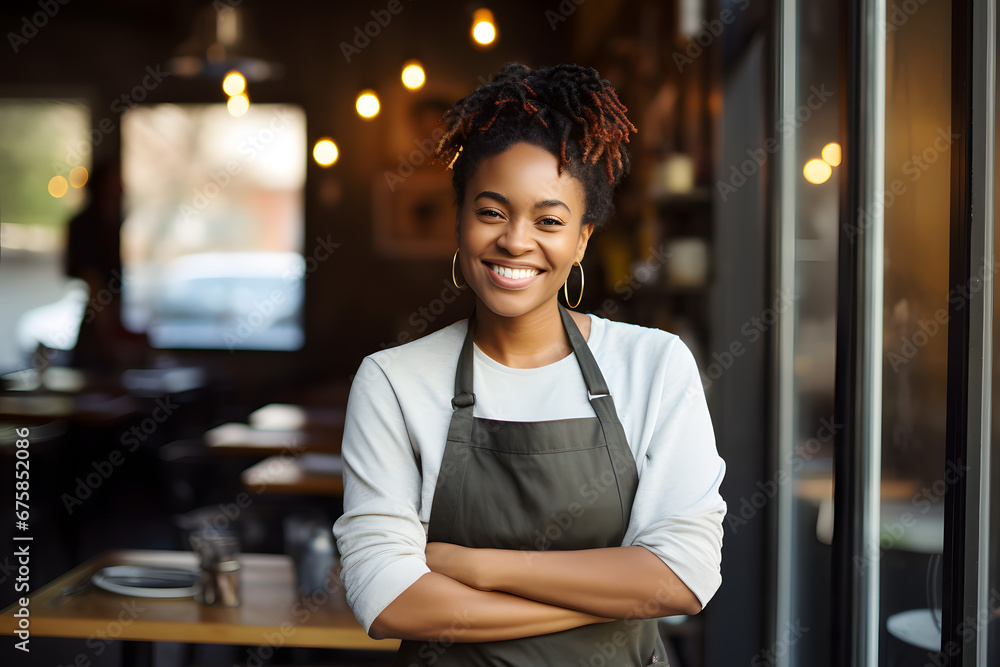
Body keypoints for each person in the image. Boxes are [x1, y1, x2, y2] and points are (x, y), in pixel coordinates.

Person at [333, 62, 726, 666]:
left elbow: (684, 575)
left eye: (549, 220)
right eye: (491, 212)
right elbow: (389, 600)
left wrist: (478, 567)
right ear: (460, 220)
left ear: (583, 240)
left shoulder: (654, 365)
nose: (516, 241)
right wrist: (610, 598)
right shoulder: (393, 381)